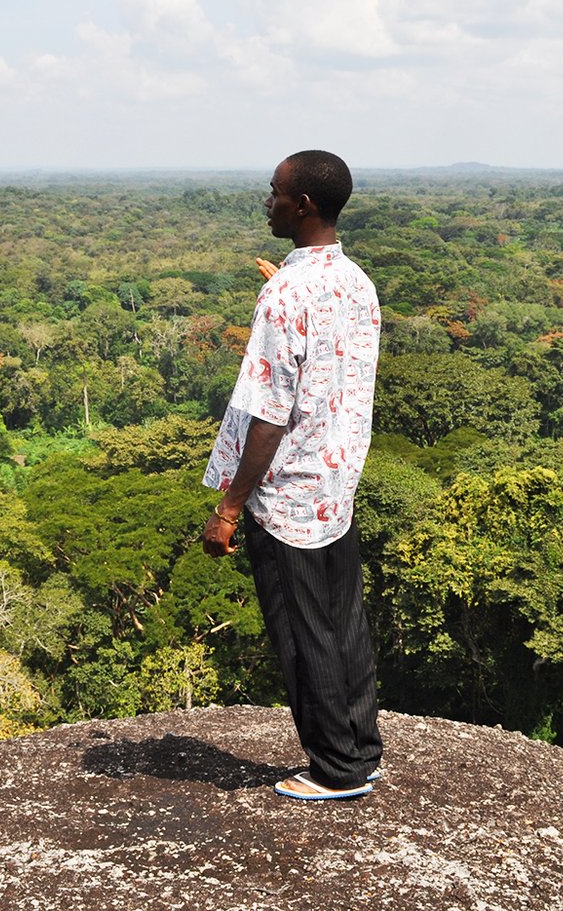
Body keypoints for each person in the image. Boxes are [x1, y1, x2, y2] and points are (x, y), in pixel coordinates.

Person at [201, 149, 383, 802]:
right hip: (335, 483)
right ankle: (360, 747)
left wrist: (229, 506)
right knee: (344, 622)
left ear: (303, 204)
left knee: (304, 636)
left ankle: (335, 769)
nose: (268, 201)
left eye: (275, 192)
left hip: (287, 495)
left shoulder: (284, 293)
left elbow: (270, 417)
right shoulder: (355, 280)